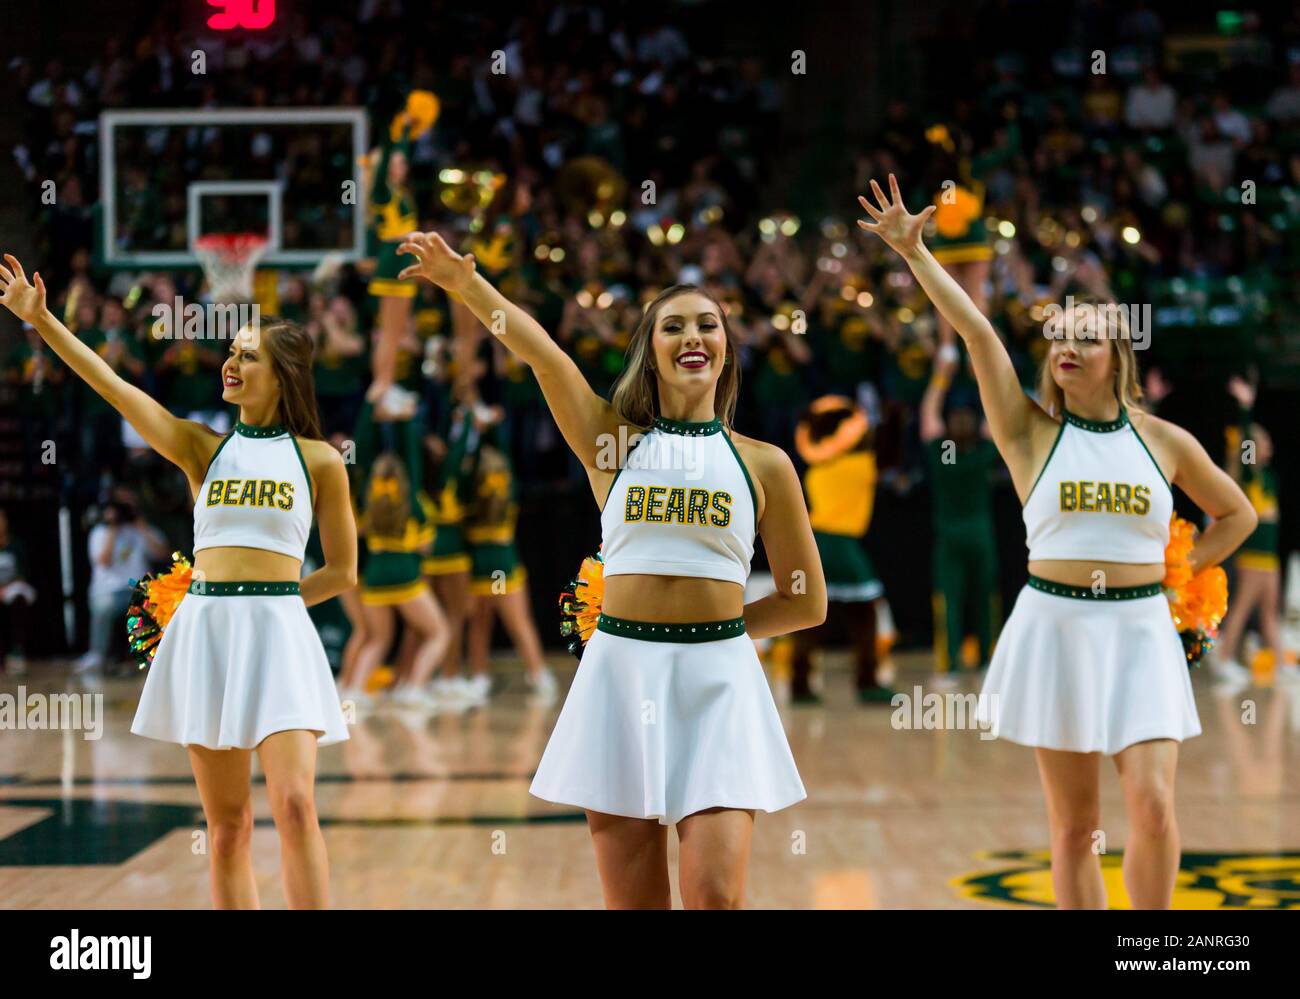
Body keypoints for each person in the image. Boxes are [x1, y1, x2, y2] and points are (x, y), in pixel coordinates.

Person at [857, 176, 1256, 909]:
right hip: (1056, 626)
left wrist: (1182, 571)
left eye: (1087, 337)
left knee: (1156, 809)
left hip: (1140, 628)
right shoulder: (1027, 431)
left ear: (1118, 354)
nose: (1068, 347)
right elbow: (979, 332)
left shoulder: (1163, 439)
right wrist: (915, 256)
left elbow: (1236, 515)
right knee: (1076, 830)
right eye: (1061, 336)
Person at [395, 230, 825, 908]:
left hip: (719, 681)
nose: (693, 335)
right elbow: (542, 356)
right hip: (621, 675)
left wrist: (719, 626)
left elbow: (805, 600)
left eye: (707, 324)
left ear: (725, 348)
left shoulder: (764, 461)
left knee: (716, 896)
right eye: (673, 326)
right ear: (650, 352)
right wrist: (464, 284)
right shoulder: (611, 443)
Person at [0, 252, 357, 909]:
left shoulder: (320, 461)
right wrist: (44, 323)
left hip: (281, 634)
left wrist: (275, 604)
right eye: (231, 352)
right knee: (226, 830)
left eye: (248, 356)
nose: (231, 363)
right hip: (206, 634)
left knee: (298, 803)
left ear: (282, 375)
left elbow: (342, 571)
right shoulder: (202, 446)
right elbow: (115, 387)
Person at [919, 353, 1002, 683]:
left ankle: (949, 665)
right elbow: (993, 418)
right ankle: (985, 661)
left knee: (950, 601)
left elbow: (928, 417)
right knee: (984, 600)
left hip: (951, 538)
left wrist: (940, 377)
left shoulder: (942, 453)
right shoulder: (982, 453)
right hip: (979, 536)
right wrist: (981, 374)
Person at [1215, 377, 1292, 684]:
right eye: (1265, 443)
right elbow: (1244, 444)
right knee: (1242, 609)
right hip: (1252, 558)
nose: (1270, 448)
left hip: (1270, 559)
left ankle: (1282, 664)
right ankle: (1223, 659)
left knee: (1270, 613)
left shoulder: (1269, 479)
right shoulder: (1246, 479)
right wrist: (1245, 408)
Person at [78, 493, 168, 675]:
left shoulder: (142, 530)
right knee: (105, 606)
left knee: (149, 603)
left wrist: (140, 524)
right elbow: (104, 560)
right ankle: (98, 655)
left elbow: (162, 553)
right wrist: (112, 526)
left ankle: (150, 656)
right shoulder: (100, 532)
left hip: (138, 587)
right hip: (108, 590)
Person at [0, 508, 36, 676]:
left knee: (18, 599)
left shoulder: (16, 545)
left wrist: (6, 587)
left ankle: (17, 649)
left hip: (14, 587)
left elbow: (22, 574)